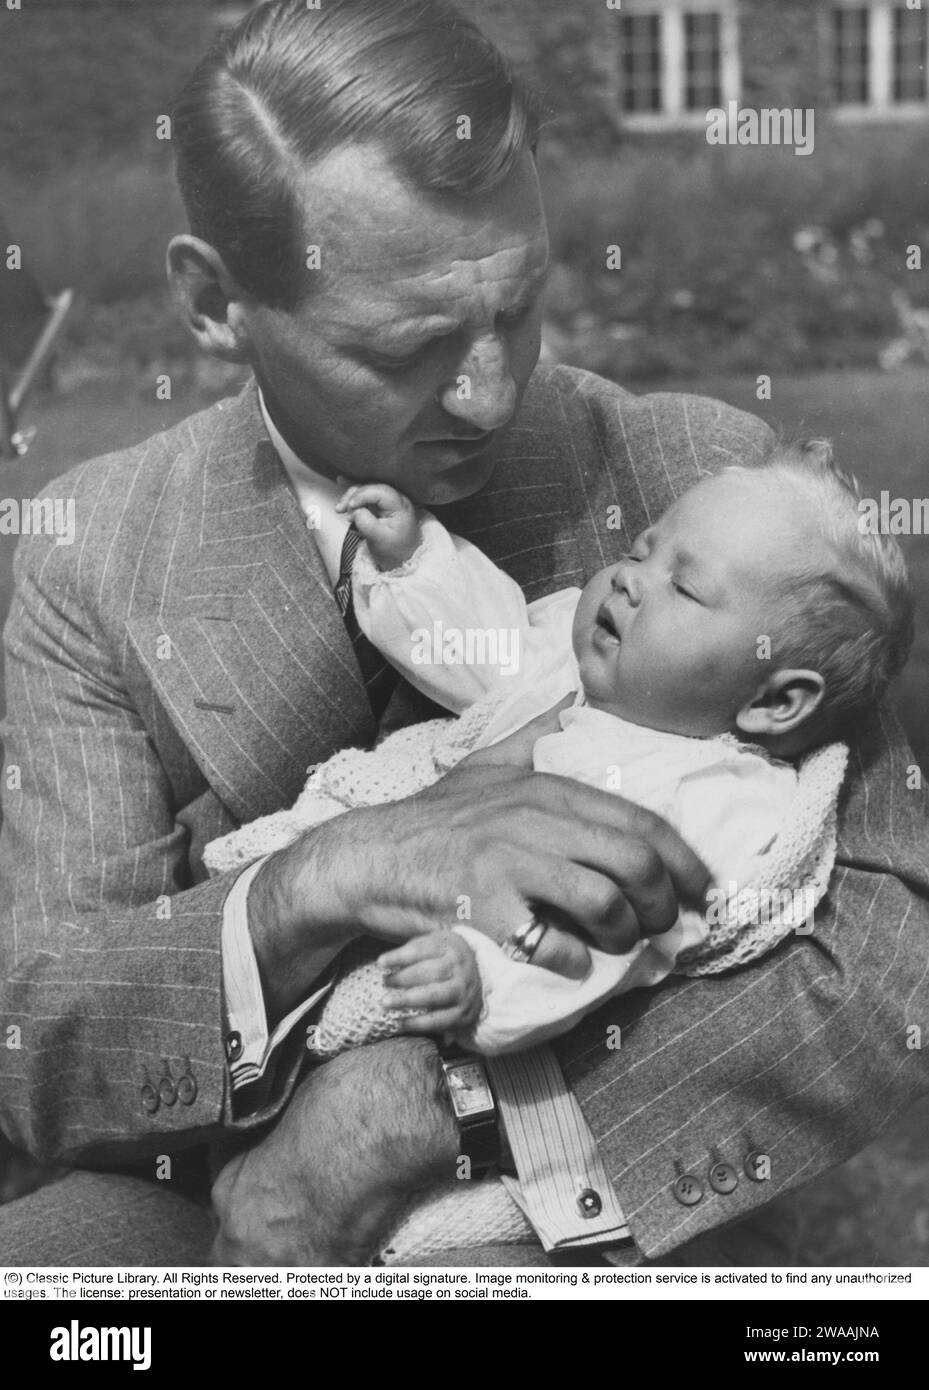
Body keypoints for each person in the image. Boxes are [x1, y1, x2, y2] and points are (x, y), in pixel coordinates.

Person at [0, 0, 926, 1268]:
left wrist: (428, 1114)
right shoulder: (88, 555)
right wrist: (321, 879)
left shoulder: (708, 495)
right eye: (408, 345)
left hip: (582, 1198)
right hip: (183, 1187)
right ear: (215, 304)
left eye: (521, 308)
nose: (490, 394)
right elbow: (40, 1033)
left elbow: (888, 958)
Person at [207, 442, 910, 1064]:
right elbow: (479, 643)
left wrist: (483, 976)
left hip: (444, 954)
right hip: (343, 852)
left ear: (772, 701)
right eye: (640, 550)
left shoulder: (705, 796)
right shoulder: (573, 665)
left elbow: (614, 938)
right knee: (229, 938)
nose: (631, 578)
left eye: (685, 587)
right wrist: (412, 560)